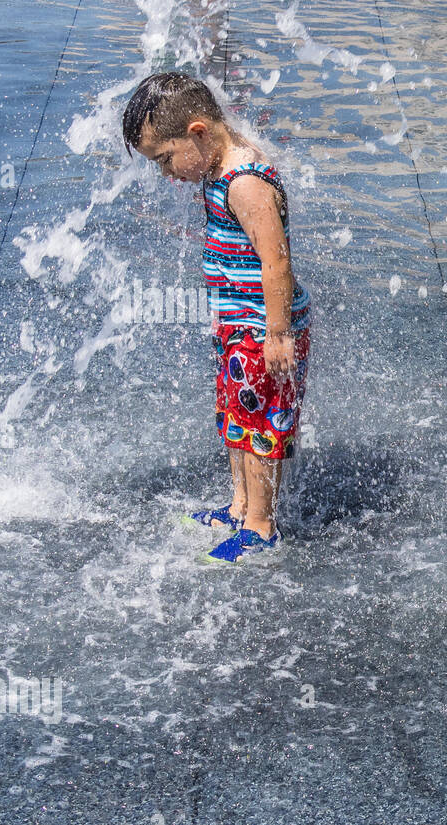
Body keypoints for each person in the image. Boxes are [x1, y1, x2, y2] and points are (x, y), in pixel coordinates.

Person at [122, 72, 311, 562]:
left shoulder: (244, 182)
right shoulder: (215, 166)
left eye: (165, 159)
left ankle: (262, 525)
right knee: (235, 415)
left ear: (199, 132)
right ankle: (239, 506)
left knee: (261, 424)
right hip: (237, 324)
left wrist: (277, 333)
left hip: (264, 328)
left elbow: (277, 262)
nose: (167, 173)